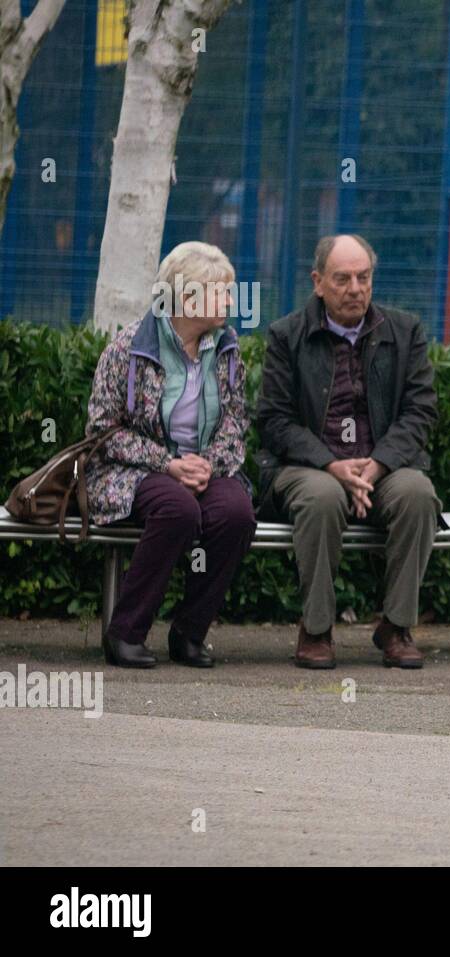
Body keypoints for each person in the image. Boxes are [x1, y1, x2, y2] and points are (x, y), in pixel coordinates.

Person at [255, 234, 441, 670]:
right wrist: (330, 464)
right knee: (322, 497)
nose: (355, 288)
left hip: (384, 466)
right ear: (318, 282)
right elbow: (274, 420)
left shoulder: (404, 331)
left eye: (364, 277)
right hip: (308, 467)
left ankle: (395, 627)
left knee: (417, 494)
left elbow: (421, 411)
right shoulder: (287, 336)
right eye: (342, 279)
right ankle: (316, 629)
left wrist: (377, 465)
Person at [85, 241, 256, 668]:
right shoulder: (129, 347)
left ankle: (189, 634)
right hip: (134, 469)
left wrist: (208, 464)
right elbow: (102, 432)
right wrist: (168, 464)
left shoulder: (228, 349)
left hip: (204, 467)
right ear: (186, 297)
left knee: (236, 514)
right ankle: (125, 634)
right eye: (221, 291)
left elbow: (236, 422)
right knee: (178, 509)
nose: (231, 300)